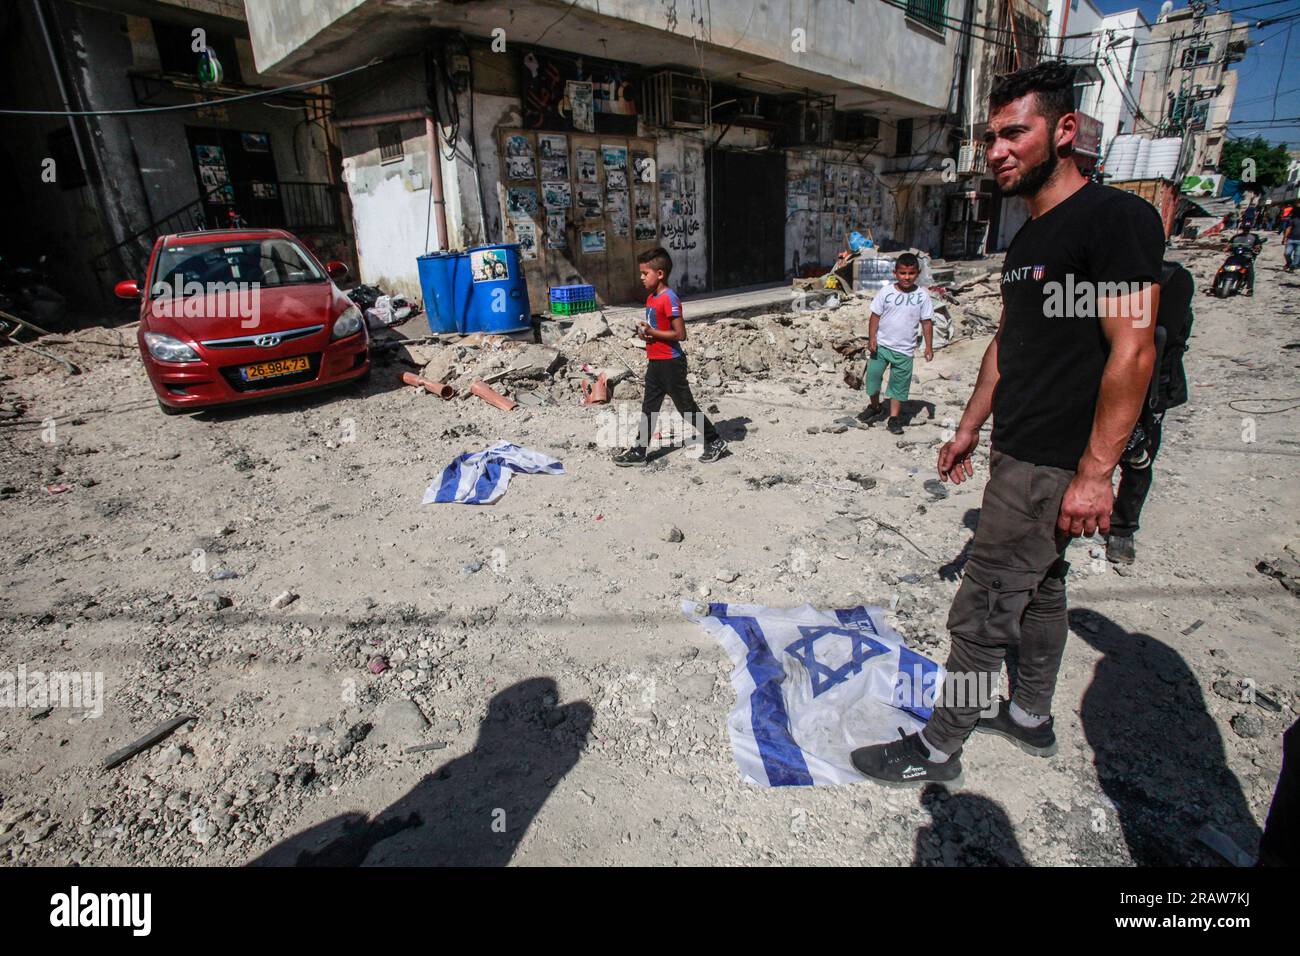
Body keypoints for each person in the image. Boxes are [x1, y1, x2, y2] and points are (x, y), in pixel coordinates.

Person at [850, 60, 1164, 787]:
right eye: (991, 137)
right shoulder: (1028, 241)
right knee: (1044, 589)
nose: (997, 151)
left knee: (983, 610)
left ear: (1064, 130)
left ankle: (937, 749)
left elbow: (1134, 348)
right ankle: (1028, 716)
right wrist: (967, 427)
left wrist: (1095, 473)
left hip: (1051, 463)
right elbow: (1006, 344)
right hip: (1015, 449)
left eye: (1014, 133)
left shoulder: (1116, 220)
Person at [1106, 260, 1195, 564]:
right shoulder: (1107, 275)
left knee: (1139, 457)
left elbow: (1160, 341)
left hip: (1153, 385)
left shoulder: (1172, 279)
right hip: (1104, 379)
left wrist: (1148, 405)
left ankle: (1123, 528)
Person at [611, 247, 728, 466]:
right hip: (656, 362)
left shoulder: (669, 298)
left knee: (686, 408)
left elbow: (680, 334)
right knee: (649, 408)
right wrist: (645, 334)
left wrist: (652, 332)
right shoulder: (651, 299)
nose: (642, 278)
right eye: (642, 273)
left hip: (671, 363)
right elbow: (655, 329)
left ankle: (715, 440)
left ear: (660, 274)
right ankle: (639, 451)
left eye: (646, 273)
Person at [857, 253, 935, 435]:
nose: (906, 277)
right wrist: (872, 338)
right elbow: (875, 316)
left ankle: (893, 418)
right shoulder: (886, 292)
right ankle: (875, 407)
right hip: (882, 346)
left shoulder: (922, 296)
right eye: (902, 273)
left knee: (898, 387)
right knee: (873, 380)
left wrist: (929, 347)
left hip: (905, 350)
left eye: (911, 273)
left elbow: (927, 323)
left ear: (918, 273)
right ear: (895, 273)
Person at [1284, 205, 1300, 272]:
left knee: (1297, 255)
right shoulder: (1294, 219)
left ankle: (1292, 266)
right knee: (1287, 253)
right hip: (1291, 239)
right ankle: (1289, 262)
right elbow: (1289, 228)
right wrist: (1285, 238)